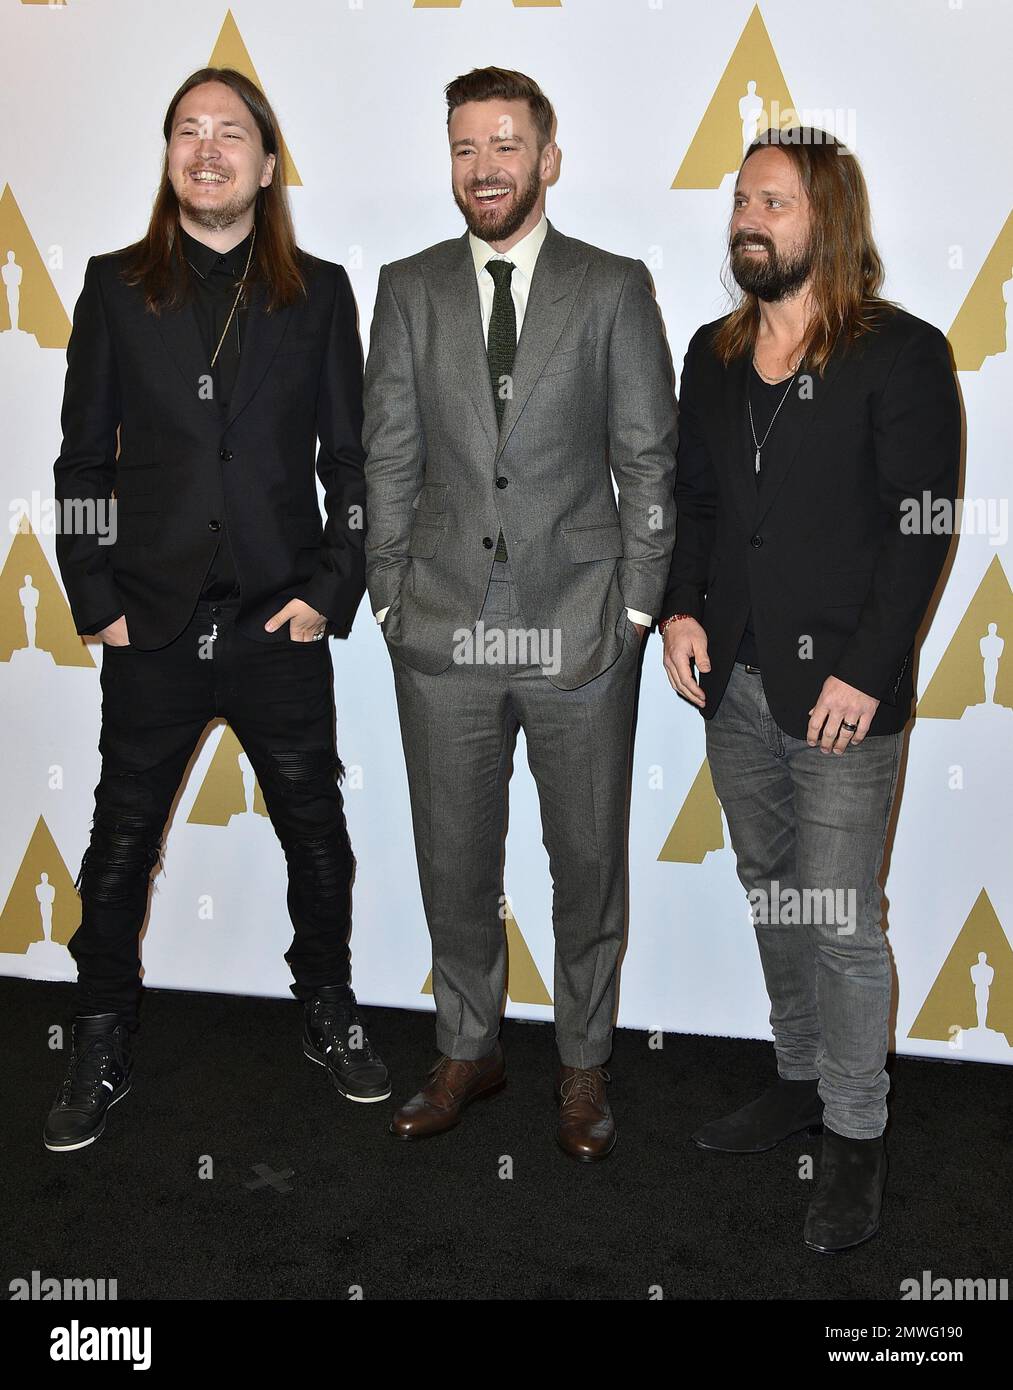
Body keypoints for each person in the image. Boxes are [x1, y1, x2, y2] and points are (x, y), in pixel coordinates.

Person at [48, 66, 389, 1152]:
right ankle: (99, 1033)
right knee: (116, 847)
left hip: (275, 624)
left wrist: (328, 594)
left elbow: (356, 467)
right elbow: (82, 464)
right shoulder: (112, 287)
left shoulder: (319, 293)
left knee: (319, 842)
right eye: (187, 133)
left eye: (229, 133)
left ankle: (324, 1006)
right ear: (166, 158)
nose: (207, 150)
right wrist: (95, 598)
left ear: (267, 162)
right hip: (149, 625)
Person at [363, 67, 677, 1160]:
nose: (482, 167)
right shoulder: (407, 288)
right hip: (439, 632)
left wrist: (633, 614)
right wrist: (392, 600)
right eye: (463, 147)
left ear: (547, 157)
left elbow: (647, 461)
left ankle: (582, 1069)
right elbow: (388, 460)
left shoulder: (611, 287)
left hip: (581, 634)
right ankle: (468, 1048)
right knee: (454, 859)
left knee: (585, 860)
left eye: (504, 144)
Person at [660, 128, 960, 1249]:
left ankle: (855, 1131)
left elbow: (914, 534)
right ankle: (797, 1076)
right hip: (729, 680)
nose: (746, 216)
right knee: (768, 886)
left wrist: (866, 674)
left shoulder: (900, 353)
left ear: (823, 221)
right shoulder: (711, 350)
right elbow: (694, 502)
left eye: (771, 202)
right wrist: (680, 606)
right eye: (740, 199)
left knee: (836, 918)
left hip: (841, 691)